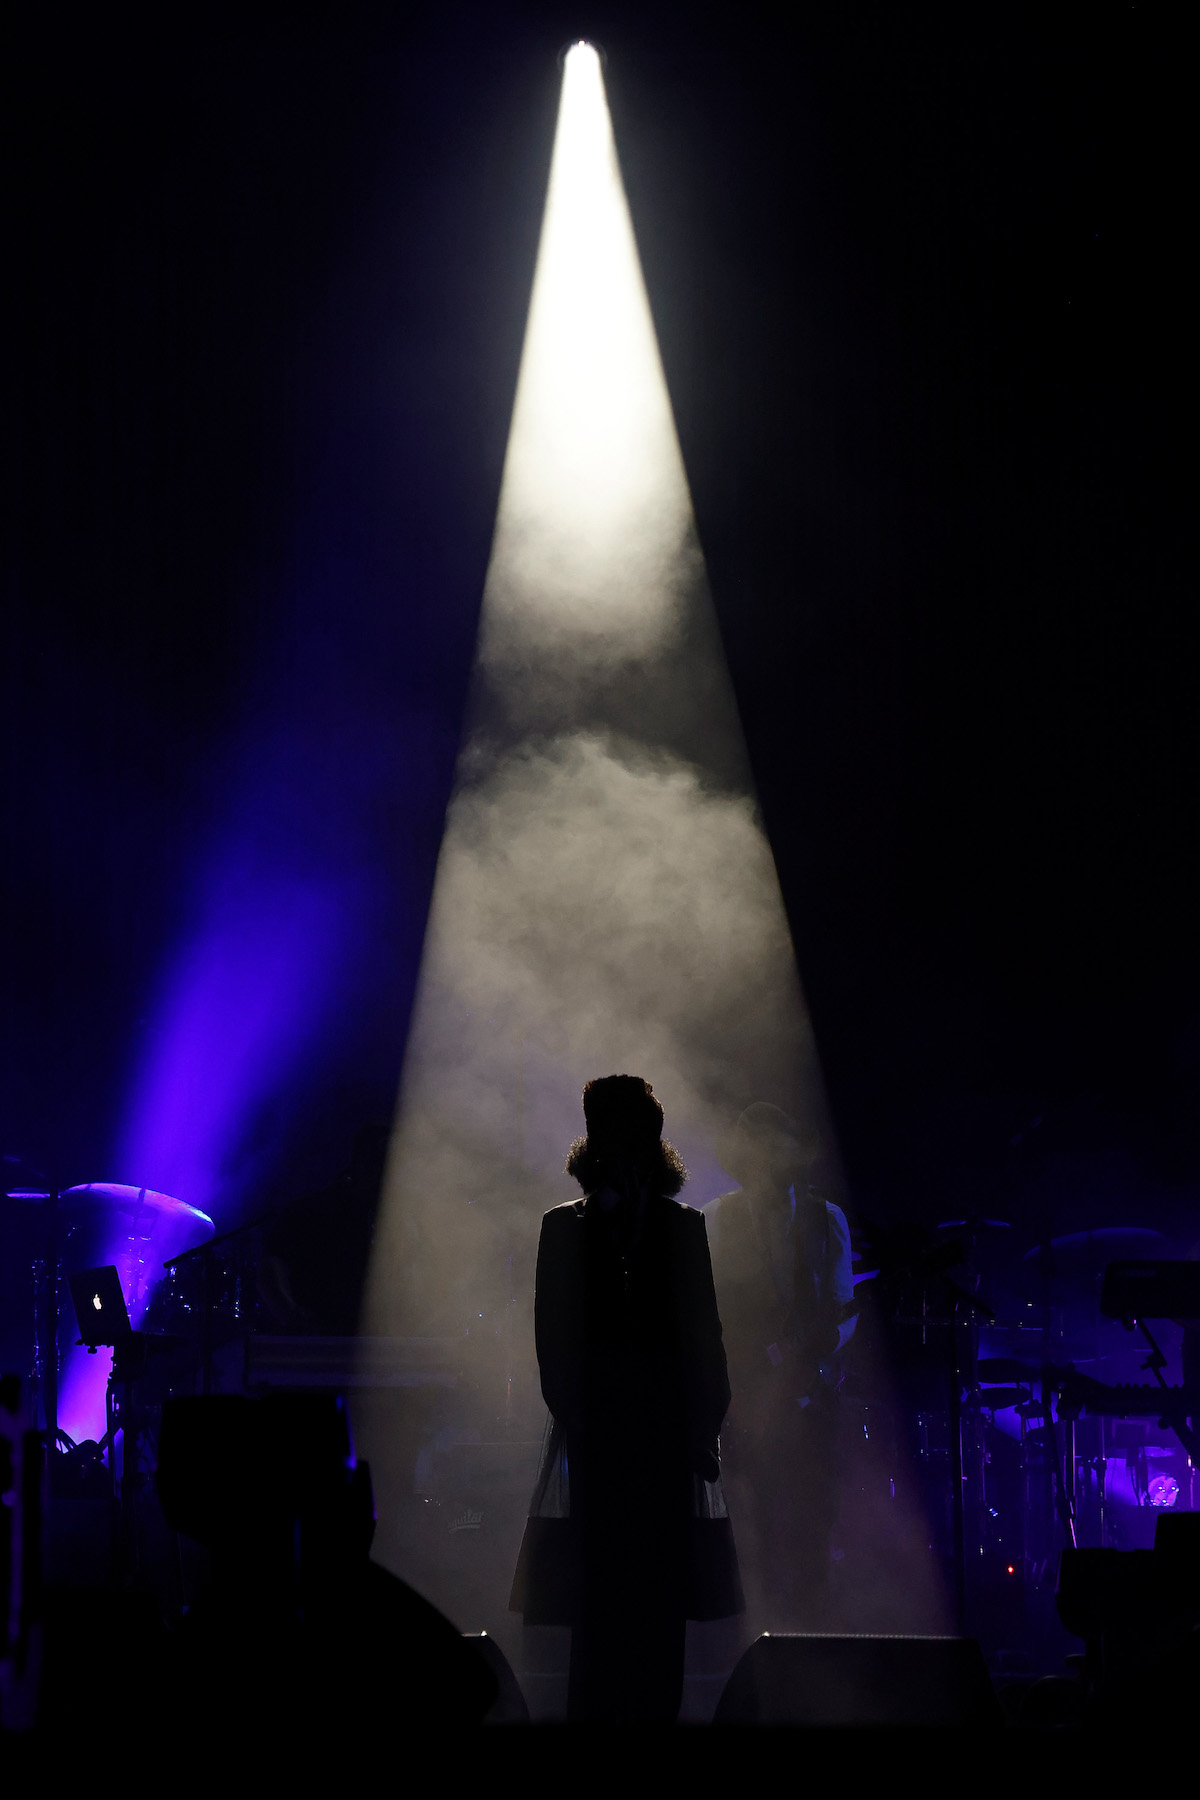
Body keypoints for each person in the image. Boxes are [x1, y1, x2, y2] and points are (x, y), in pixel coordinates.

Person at [510, 1075, 742, 1721]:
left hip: (664, 1438)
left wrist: (701, 1431)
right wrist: (585, 1422)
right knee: (602, 1604)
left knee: (659, 1609)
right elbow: (552, 1342)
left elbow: (706, 1335)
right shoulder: (566, 1227)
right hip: (602, 1439)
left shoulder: (680, 1225)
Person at [705, 1102, 855, 1630]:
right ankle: (757, 1639)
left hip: (811, 1398)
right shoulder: (717, 1217)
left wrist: (818, 1347)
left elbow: (843, 1306)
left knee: (815, 1523)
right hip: (744, 1401)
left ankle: (811, 1637)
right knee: (752, 1528)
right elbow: (707, 1311)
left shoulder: (825, 1217)